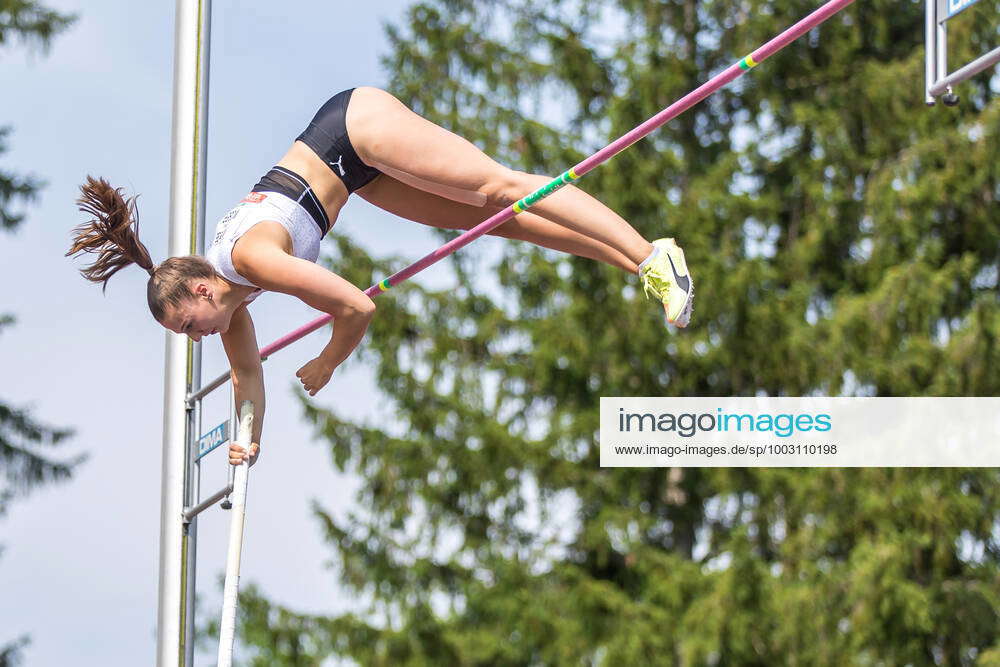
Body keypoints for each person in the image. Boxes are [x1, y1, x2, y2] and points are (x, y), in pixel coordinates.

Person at [67, 86, 694, 466]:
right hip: (356, 176)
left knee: (498, 187)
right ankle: (639, 267)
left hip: (353, 130)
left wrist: (327, 363)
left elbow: (356, 308)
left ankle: (649, 253)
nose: (193, 337)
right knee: (500, 220)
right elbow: (247, 377)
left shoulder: (253, 263)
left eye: (187, 325)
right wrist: (248, 440)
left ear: (201, 291)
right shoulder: (235, 302)